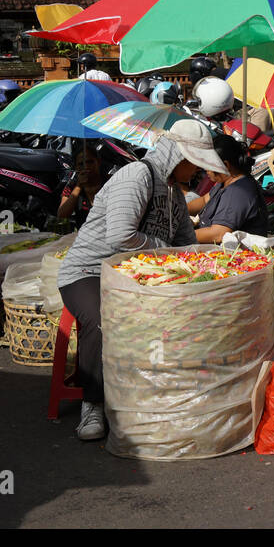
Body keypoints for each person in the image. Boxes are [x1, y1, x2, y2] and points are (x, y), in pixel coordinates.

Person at [57, 118, 226, 441]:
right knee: (100, 318)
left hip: (135, 274)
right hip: (89, 272)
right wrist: (167, 253)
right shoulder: (137, 176)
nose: (197, 174)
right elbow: (122, 235)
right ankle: (92, 404)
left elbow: (185, 244)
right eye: (194, 165)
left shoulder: (175, 194)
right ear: (178, 157)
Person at [190, 132, 267, 242]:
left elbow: (218, 233)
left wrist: (181, 237)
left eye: (209, 164)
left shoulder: (238, 192)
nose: (205, 169)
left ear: (225, 165)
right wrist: (176, 208)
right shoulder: (225, 183)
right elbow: (204, 200)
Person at [57, 144, 106, 228]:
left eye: (90, 162)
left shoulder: (109, 182)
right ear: (76, 167)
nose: (86, 167)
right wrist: (79, 186)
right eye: (81, 164)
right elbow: (62, 214)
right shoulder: (72, 186)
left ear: (98, 162)